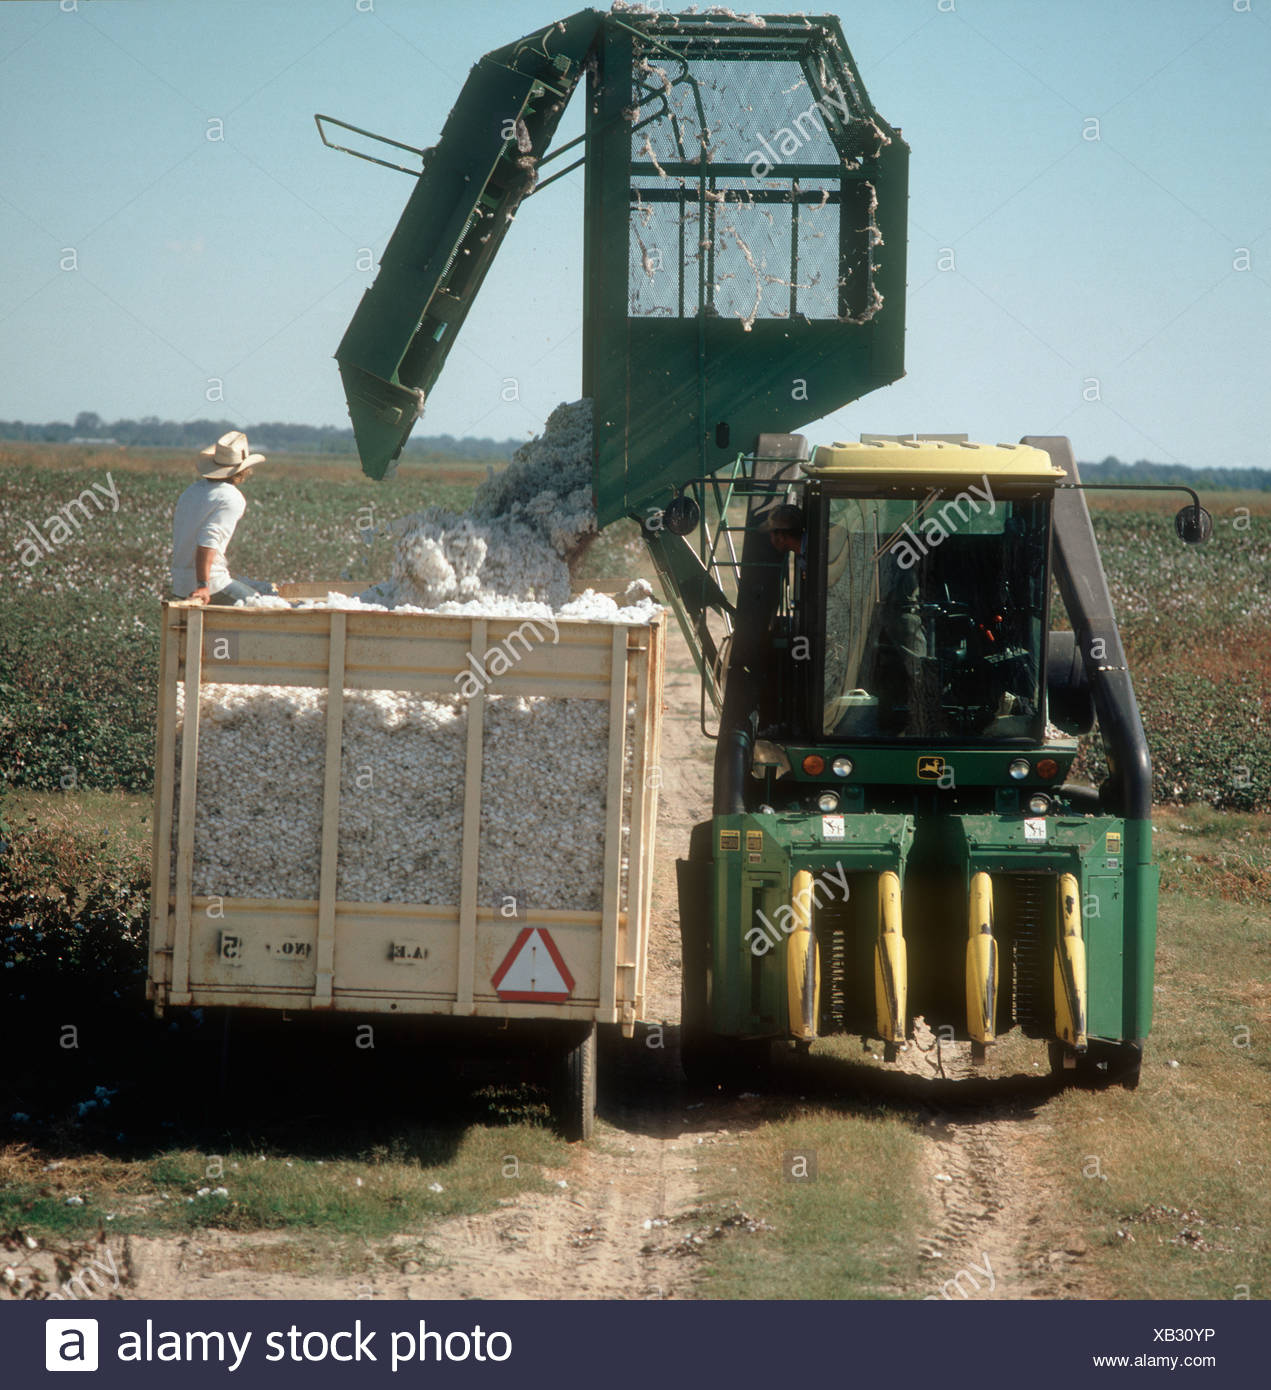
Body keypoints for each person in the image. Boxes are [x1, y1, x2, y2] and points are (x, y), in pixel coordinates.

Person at [170, 430, 277, 605]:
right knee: (265, 606)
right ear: (243, 470)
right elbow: (208, 540)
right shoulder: (231, 497)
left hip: (181, 585)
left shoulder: (191, 491)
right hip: (211, 585)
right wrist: (203, 585)